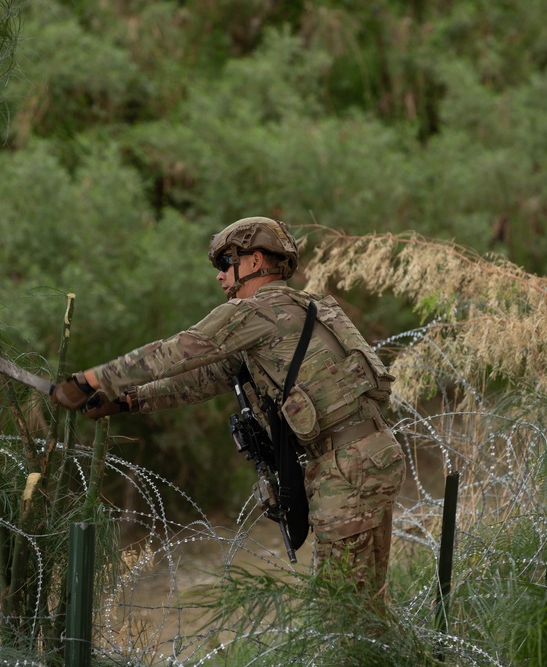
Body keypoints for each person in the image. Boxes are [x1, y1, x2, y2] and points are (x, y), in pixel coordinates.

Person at [52, 216, 405, 599]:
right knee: (366, 603)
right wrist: (128, 400)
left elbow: (178, 350)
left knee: (343, 609)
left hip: (347, 467)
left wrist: (90, 380)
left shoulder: (256, 312)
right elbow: (204, 379)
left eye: (225, 263)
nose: (220, 277)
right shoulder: (301, 310)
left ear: (255, 261)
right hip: (368, 456)